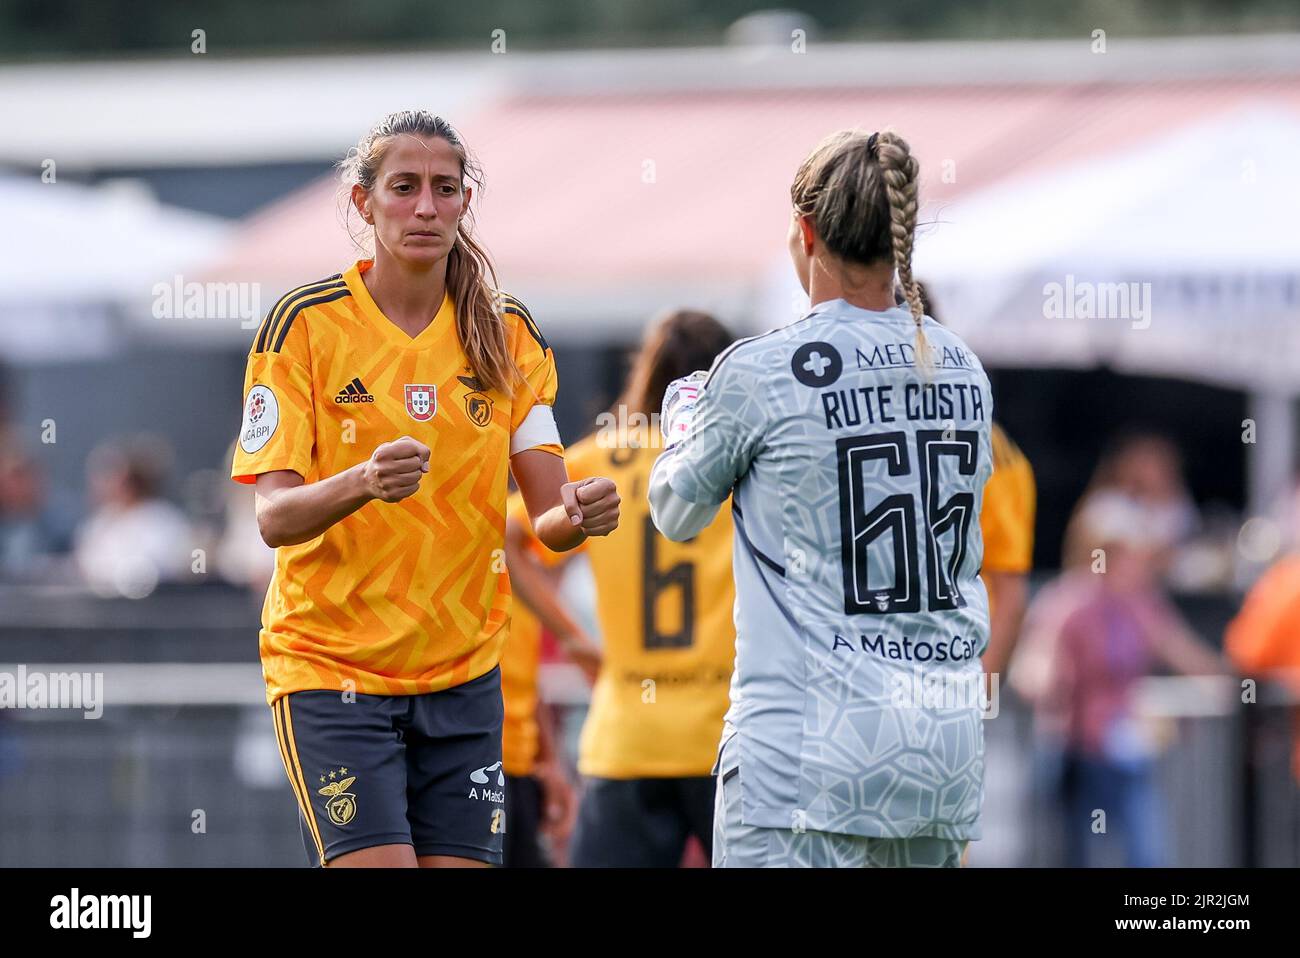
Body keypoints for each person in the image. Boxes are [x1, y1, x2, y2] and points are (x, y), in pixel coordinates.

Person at [230, 110, 620, 869]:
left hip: (465, 680)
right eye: (404, 187)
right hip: (334, 673)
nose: (426, 207)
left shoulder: (507, 334)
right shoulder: (304, 325)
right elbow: (274, 519)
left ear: (464, 203)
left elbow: (547, 518)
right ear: (362, 202)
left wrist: (581, 513)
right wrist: (363, 482)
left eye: (445, 189)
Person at [649, 129, 994, 868]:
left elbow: (674, 513)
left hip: (804, 757)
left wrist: (686, 411)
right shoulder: (962, 366)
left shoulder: (760, 371)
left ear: (806, 233)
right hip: (940, 749)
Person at [506, 309, 738, 867]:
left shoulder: (597, 458)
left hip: (628, 733)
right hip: (726, 738)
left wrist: (571, 634)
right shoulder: (740, 462)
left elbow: (509, 539)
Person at [1018, 492, 1227, 867]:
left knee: (1148, 854)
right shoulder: (1066, 602)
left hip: (1126, 755)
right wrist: (1045, 677)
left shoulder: (1141, 604)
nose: (1135, 565)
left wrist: (1237, 683)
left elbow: (1185, 652)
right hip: (1074, 757)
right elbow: (1034, 665)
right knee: (1074, 857)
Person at [498, 490, 577, 867]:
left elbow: (526, 684)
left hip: (519, 766)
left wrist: (548, 762)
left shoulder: (525, 581)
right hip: (470, 764)